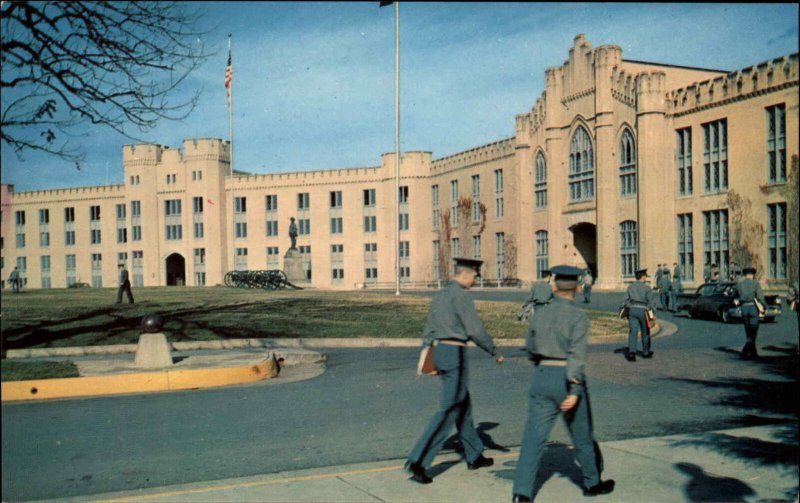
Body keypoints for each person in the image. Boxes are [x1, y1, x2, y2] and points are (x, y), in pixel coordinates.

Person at [511, 265, 615, 502]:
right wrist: (575, 390)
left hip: (543, 375)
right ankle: (592, 482)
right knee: (581, 435)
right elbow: (576, 357)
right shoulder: (577, 317)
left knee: (533, 439)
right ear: (577, 289)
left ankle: (521, 493)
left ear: (555, 287)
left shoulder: (541, 314)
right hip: (567, 379)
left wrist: (542, 365)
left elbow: (530, 347)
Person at [405, 258, 505, 484]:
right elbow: (475, 329)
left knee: (463, 405)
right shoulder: (462, 295)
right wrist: (494, 350)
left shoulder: (440, 295)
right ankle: (418, 460)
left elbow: (429, 328)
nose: (475, 280)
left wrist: (428, 358)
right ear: (466, 274)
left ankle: (474, 455)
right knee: (450, 409)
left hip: (440, 351)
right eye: (474, 276)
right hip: (455, 352)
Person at [624, 268, 657, 362]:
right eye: (645, 276)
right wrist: (652, 314)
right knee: (645, 331)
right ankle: (646, 352)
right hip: (644, 310)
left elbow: (625, 301)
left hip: (632, 310)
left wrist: (629, 308)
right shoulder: (647, 288)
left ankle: (631, 352)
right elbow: (651, 303)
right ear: (643, 277)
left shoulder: (630, 287)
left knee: (633, 331)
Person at [734, 266, 766, 359]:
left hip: (744, 308)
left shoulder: (739, 284)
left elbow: (736, 296)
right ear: (752, 275)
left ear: (745, 274)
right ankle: (746, 350)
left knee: (748, 331)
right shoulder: (755, 284)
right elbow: (760, 296)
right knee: (753, 330)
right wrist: (764, 306)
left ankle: (752, 351)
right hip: (753, 308)